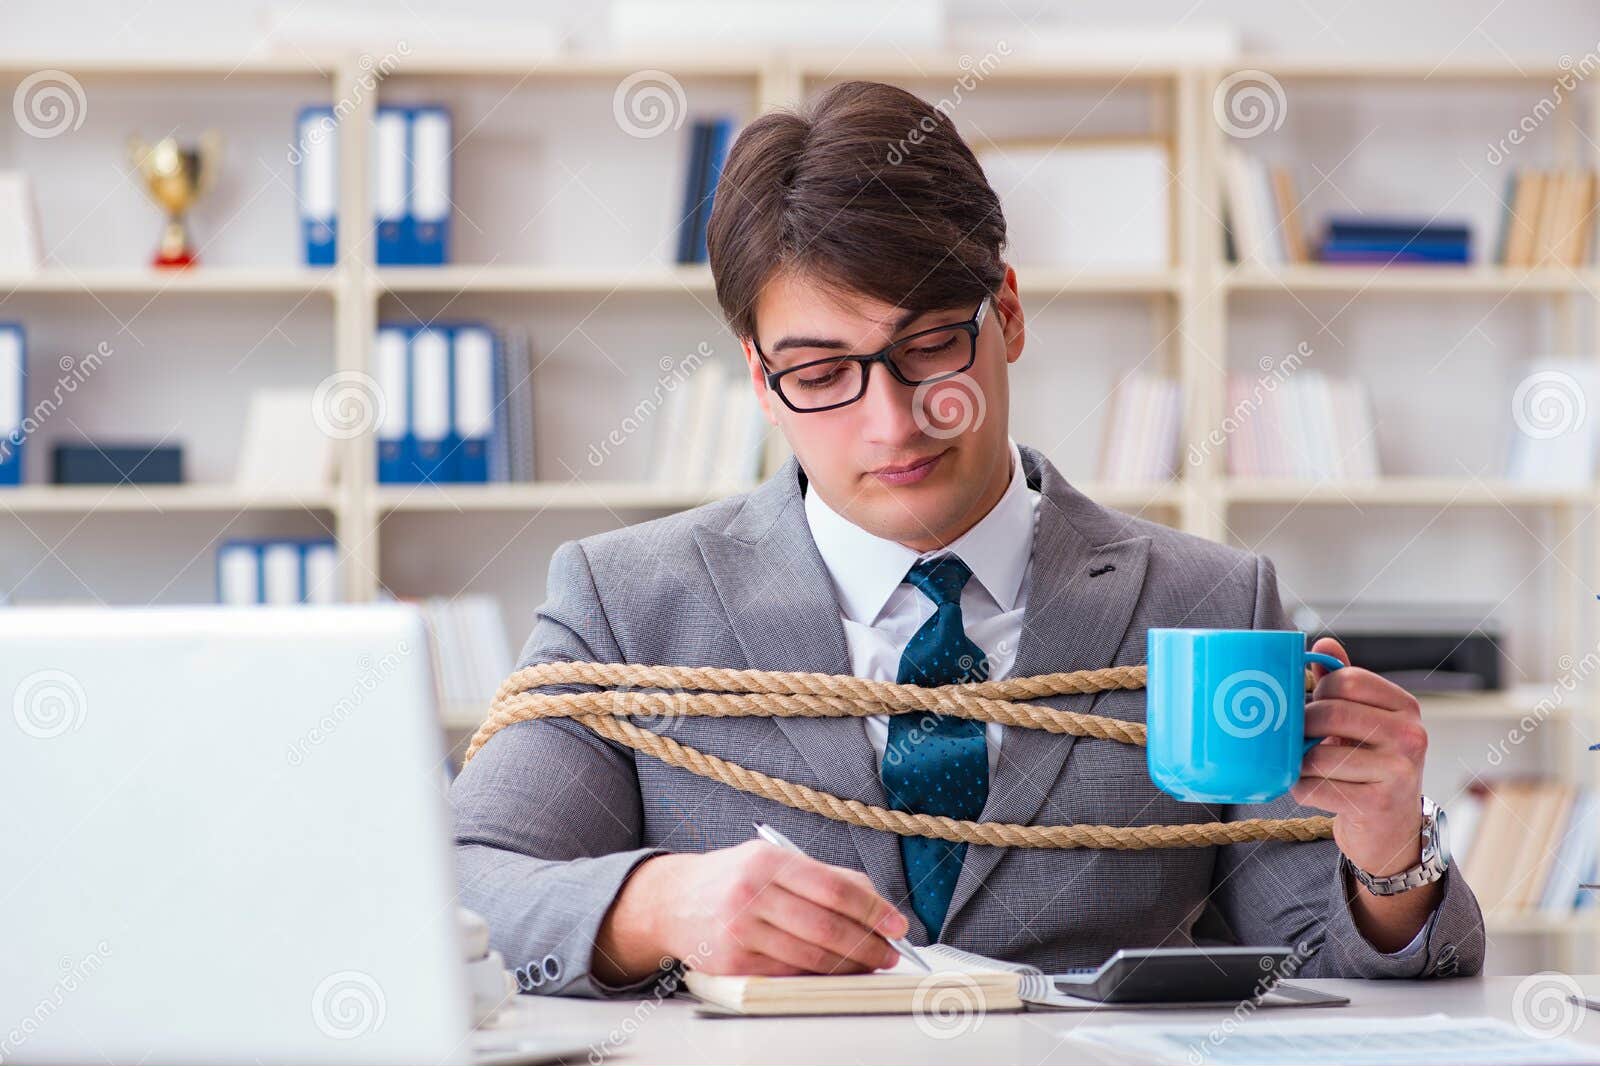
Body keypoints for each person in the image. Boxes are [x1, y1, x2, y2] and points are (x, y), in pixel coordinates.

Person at [451, 80, 1484, 997]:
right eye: (820, 375)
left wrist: (1388, 849)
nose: (893, 423)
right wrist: (652, 909)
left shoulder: (1204, 603)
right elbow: (460, 881)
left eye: (932, 346)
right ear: (762, 381)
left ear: (1009, 315)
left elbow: (1329, 953)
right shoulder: (626, 603)